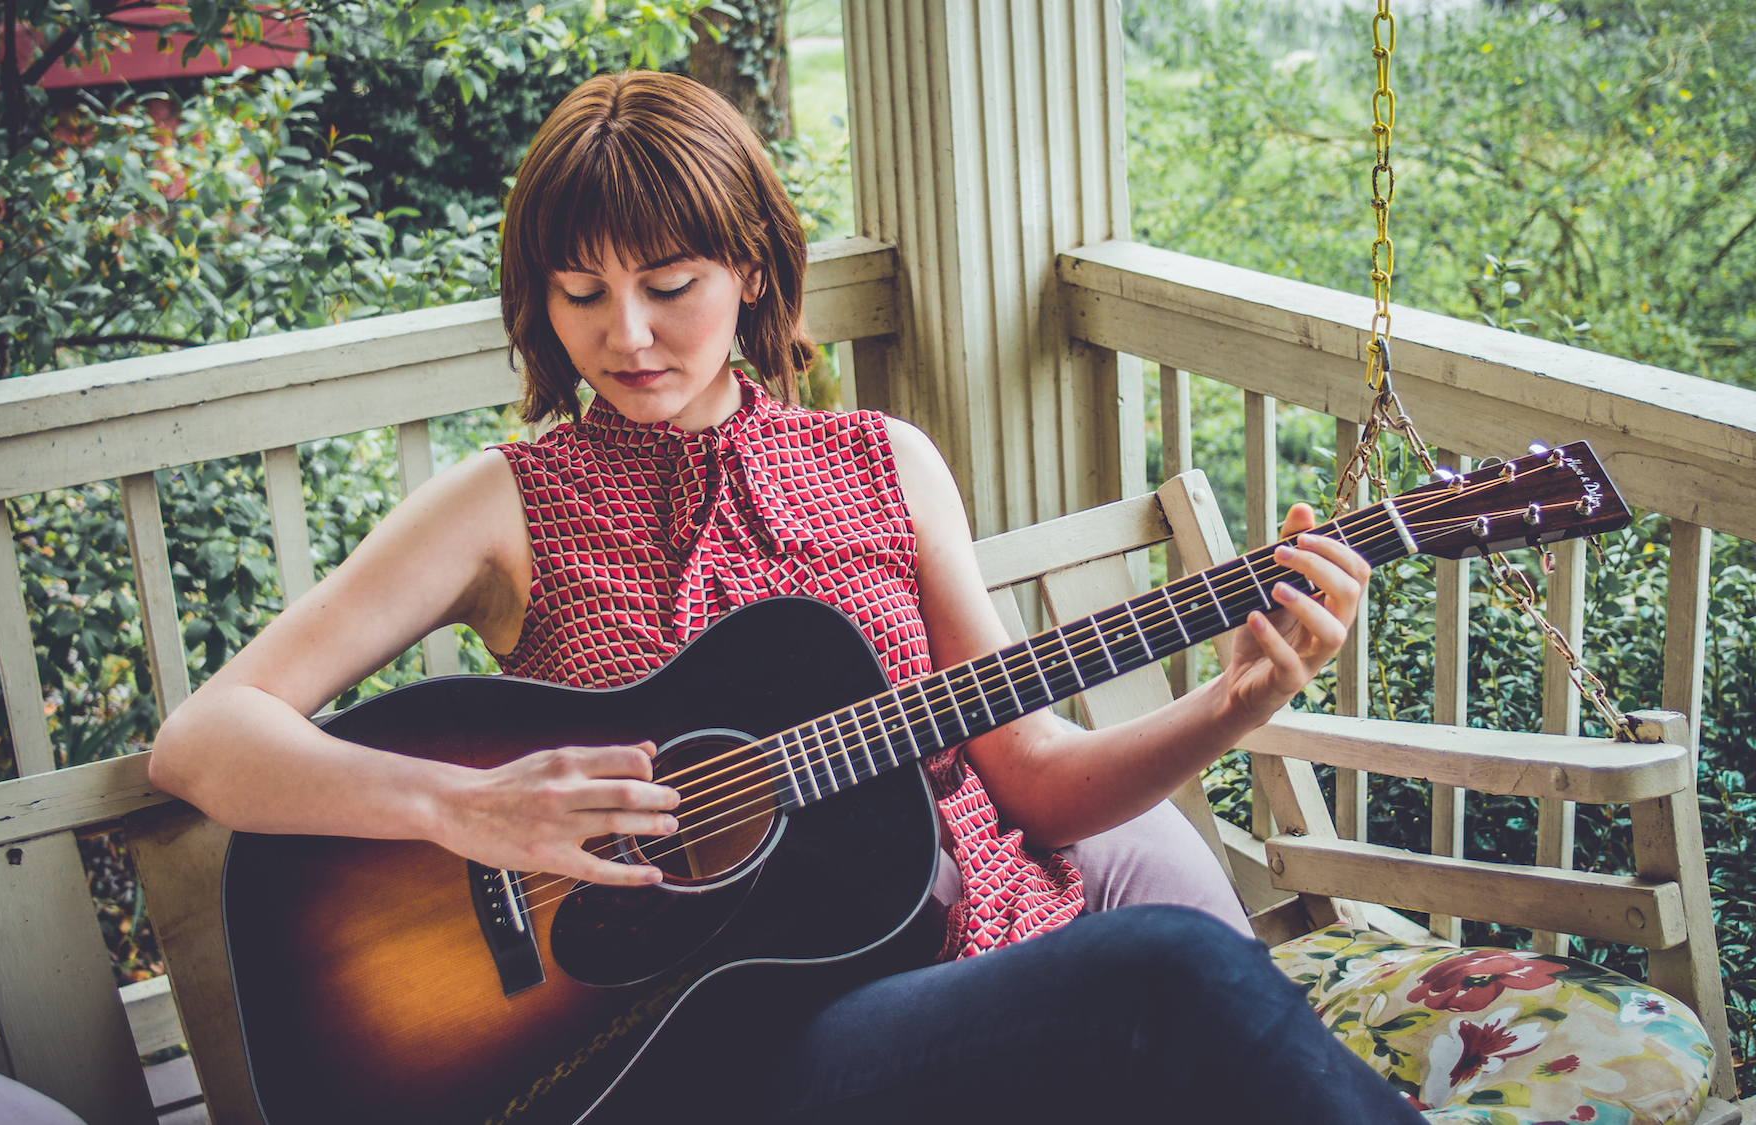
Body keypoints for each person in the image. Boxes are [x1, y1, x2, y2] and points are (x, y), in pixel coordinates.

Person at [148, 71, 1423, 1124]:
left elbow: (1031, 775)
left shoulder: (884, 462)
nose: (628, 336)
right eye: (580, 294)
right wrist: (464, 806)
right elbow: (202, 741)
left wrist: (1239, 698)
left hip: (986, 967)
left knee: (1165, 994)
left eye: (668, 284)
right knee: (1175, 973)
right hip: (723, 1046)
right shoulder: (507, 506)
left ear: (750, 270)